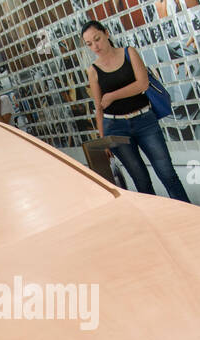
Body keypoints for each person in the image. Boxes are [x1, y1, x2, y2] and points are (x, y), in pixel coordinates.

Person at [82, 19, 191, 203]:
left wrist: (112, 96)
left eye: (97, 39)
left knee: (167, 173)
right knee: (141, 182)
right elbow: (99, 109)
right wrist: (103, 139)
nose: (95, 46)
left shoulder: (128, 53)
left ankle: (190, 215)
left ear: (106, 33)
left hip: (144, 120)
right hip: (115, 128)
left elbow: (142, 83)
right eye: (89, 44)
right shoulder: (93, 70)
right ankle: (155, 225)